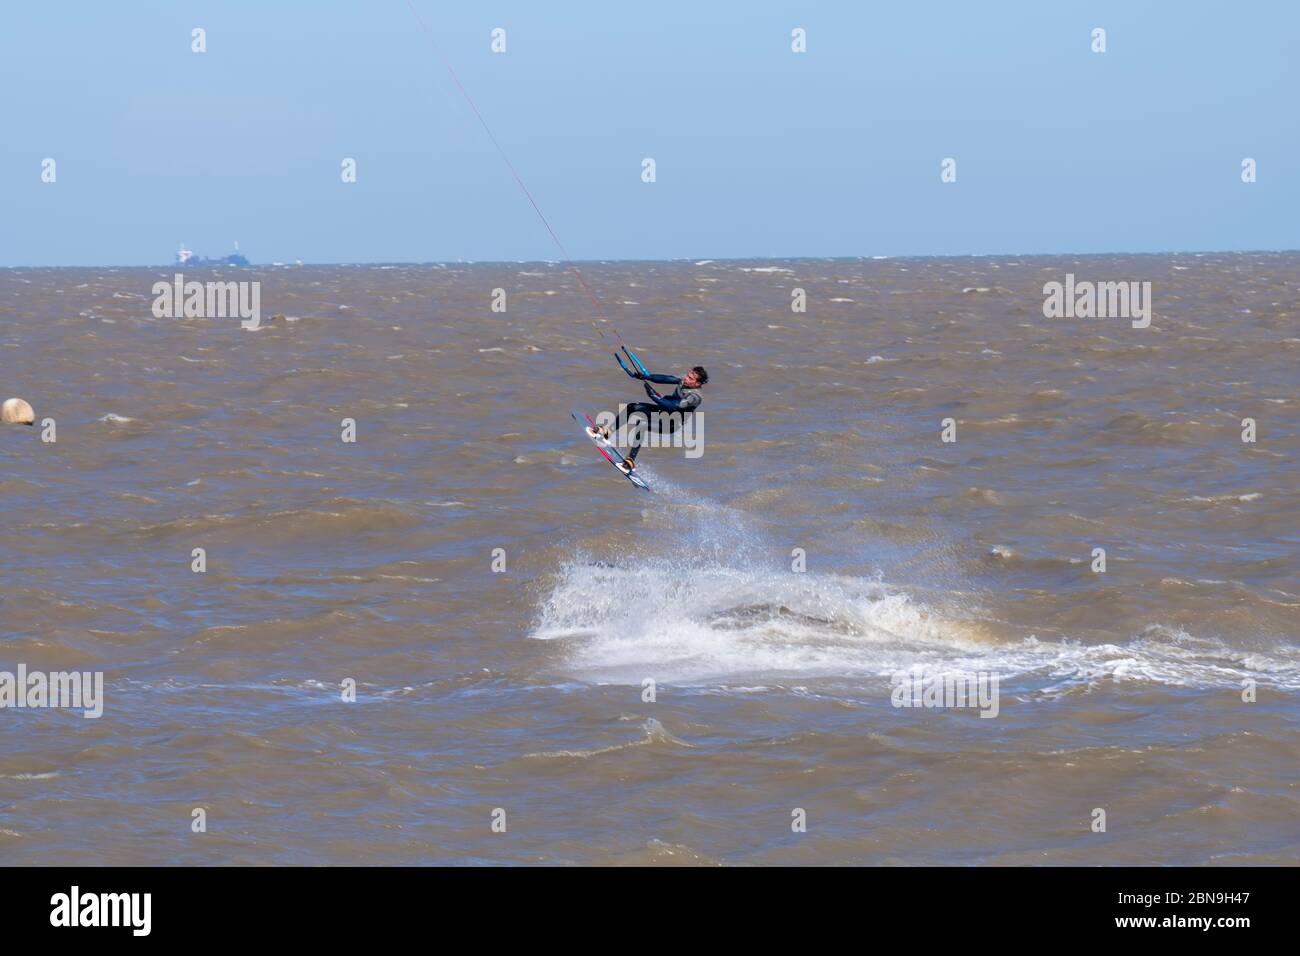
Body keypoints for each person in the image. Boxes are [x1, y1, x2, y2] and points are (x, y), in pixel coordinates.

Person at [594, 365, 708, 471]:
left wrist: (654, 397)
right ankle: (608, 432)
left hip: (671, 423)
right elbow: (665, 379)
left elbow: (674, 407)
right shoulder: (685, 380)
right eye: (688, 375)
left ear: (697, 384)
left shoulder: (695, 397)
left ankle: (631, 460)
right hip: (663, 411)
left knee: (642, 424)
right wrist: (646, 377)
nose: (686, 378)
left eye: (690, 378)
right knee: (633, 407)